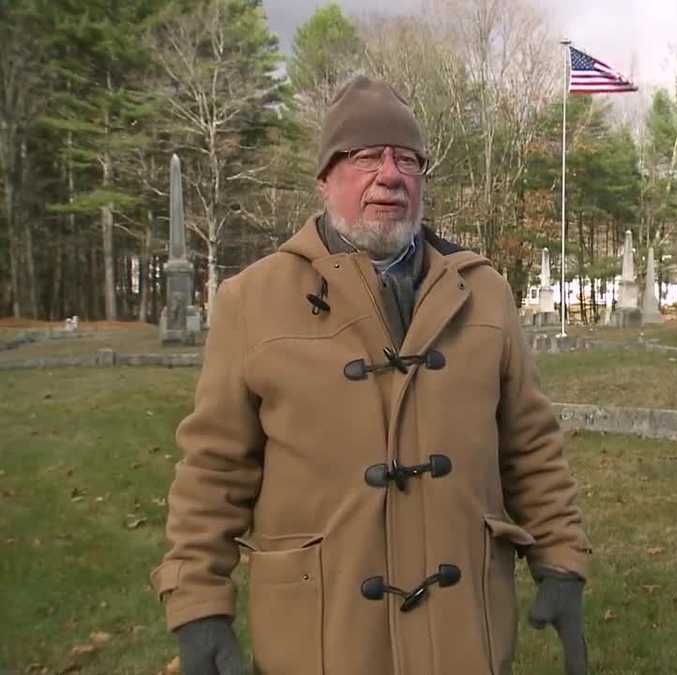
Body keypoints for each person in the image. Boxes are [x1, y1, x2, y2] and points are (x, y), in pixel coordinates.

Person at [151, 76, 591, 675]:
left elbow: (531, 445)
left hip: (463, 638)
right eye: (366, 157)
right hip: (321, 641)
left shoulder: (483, 294)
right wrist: (198, 604)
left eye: (407, 159)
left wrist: (561, 561)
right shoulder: (252, 301)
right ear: (325, 178)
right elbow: (213, 467)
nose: (390, 175)